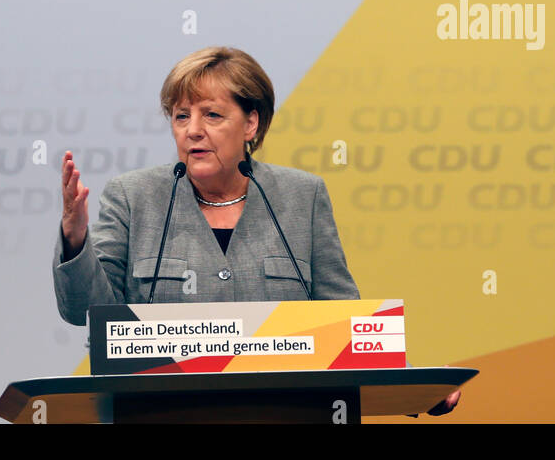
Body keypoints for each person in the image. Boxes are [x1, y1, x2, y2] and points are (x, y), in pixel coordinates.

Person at [53, 45, 459, 415]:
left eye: (211, 114)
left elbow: (343, 321)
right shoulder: (133, 196)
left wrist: (416, 385)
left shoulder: (302, 196)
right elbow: (89, 315)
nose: (192, 129)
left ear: (251, 124)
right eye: (181, 116)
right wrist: (75, 239)